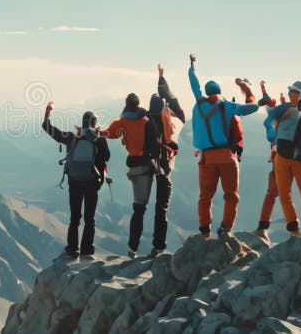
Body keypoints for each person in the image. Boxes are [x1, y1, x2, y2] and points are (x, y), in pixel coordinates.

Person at [188, 54, 270, 239]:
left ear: (207, 92)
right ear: (218, 91)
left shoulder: (199, 103)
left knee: (205, 197)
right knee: (231, 195)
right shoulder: (227, 105)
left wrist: (192, 65)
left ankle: (204, 233)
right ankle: (225, 228)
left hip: (205, 158)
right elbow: (250, 108)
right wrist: (260, 102)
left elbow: (194, 83)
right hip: (226, 156)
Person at [43, 102, 110, 257]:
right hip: (92, 182)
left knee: (75, 217)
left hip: (74, 182)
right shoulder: (99, 139)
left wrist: (47, 116)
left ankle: (72, 249)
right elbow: (106, 156)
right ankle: (87, 250)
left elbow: (51, 130)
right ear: (95, 123)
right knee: (89, 218)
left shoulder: (72, 137)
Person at [100, 93, 161, 259]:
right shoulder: (146, 120)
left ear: (126, 104)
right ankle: (137, 248)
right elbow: (156, 146)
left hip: (133, 167)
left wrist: (98, 131)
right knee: (142, 207)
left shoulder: (122, 121)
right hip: (146, 165)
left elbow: (111, 134)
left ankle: (132, 248)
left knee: (138, 207)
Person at [265, 81, 301, 239]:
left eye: (292, 91)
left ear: (299, 94)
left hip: (282, 157)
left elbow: (271, 117)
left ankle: (293, 228)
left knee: (285, 194)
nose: (290, 93)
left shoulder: (289, 111)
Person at [145, 64, 186, 258]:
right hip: (165, 168)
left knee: (140, 206)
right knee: (161, 207)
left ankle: (134, 247)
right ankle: (159, 245)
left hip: (146, 165)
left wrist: (160, 79)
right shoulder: (174, 120)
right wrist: (161, 79)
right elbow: (171, 97)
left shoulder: (145, 120)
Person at [253, 89, 287, 243]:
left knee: (273, 194)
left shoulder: (275, 125)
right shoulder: (290, 118)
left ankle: (262, 228)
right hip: (299, 161)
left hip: (279, 161)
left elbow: (270, 127)